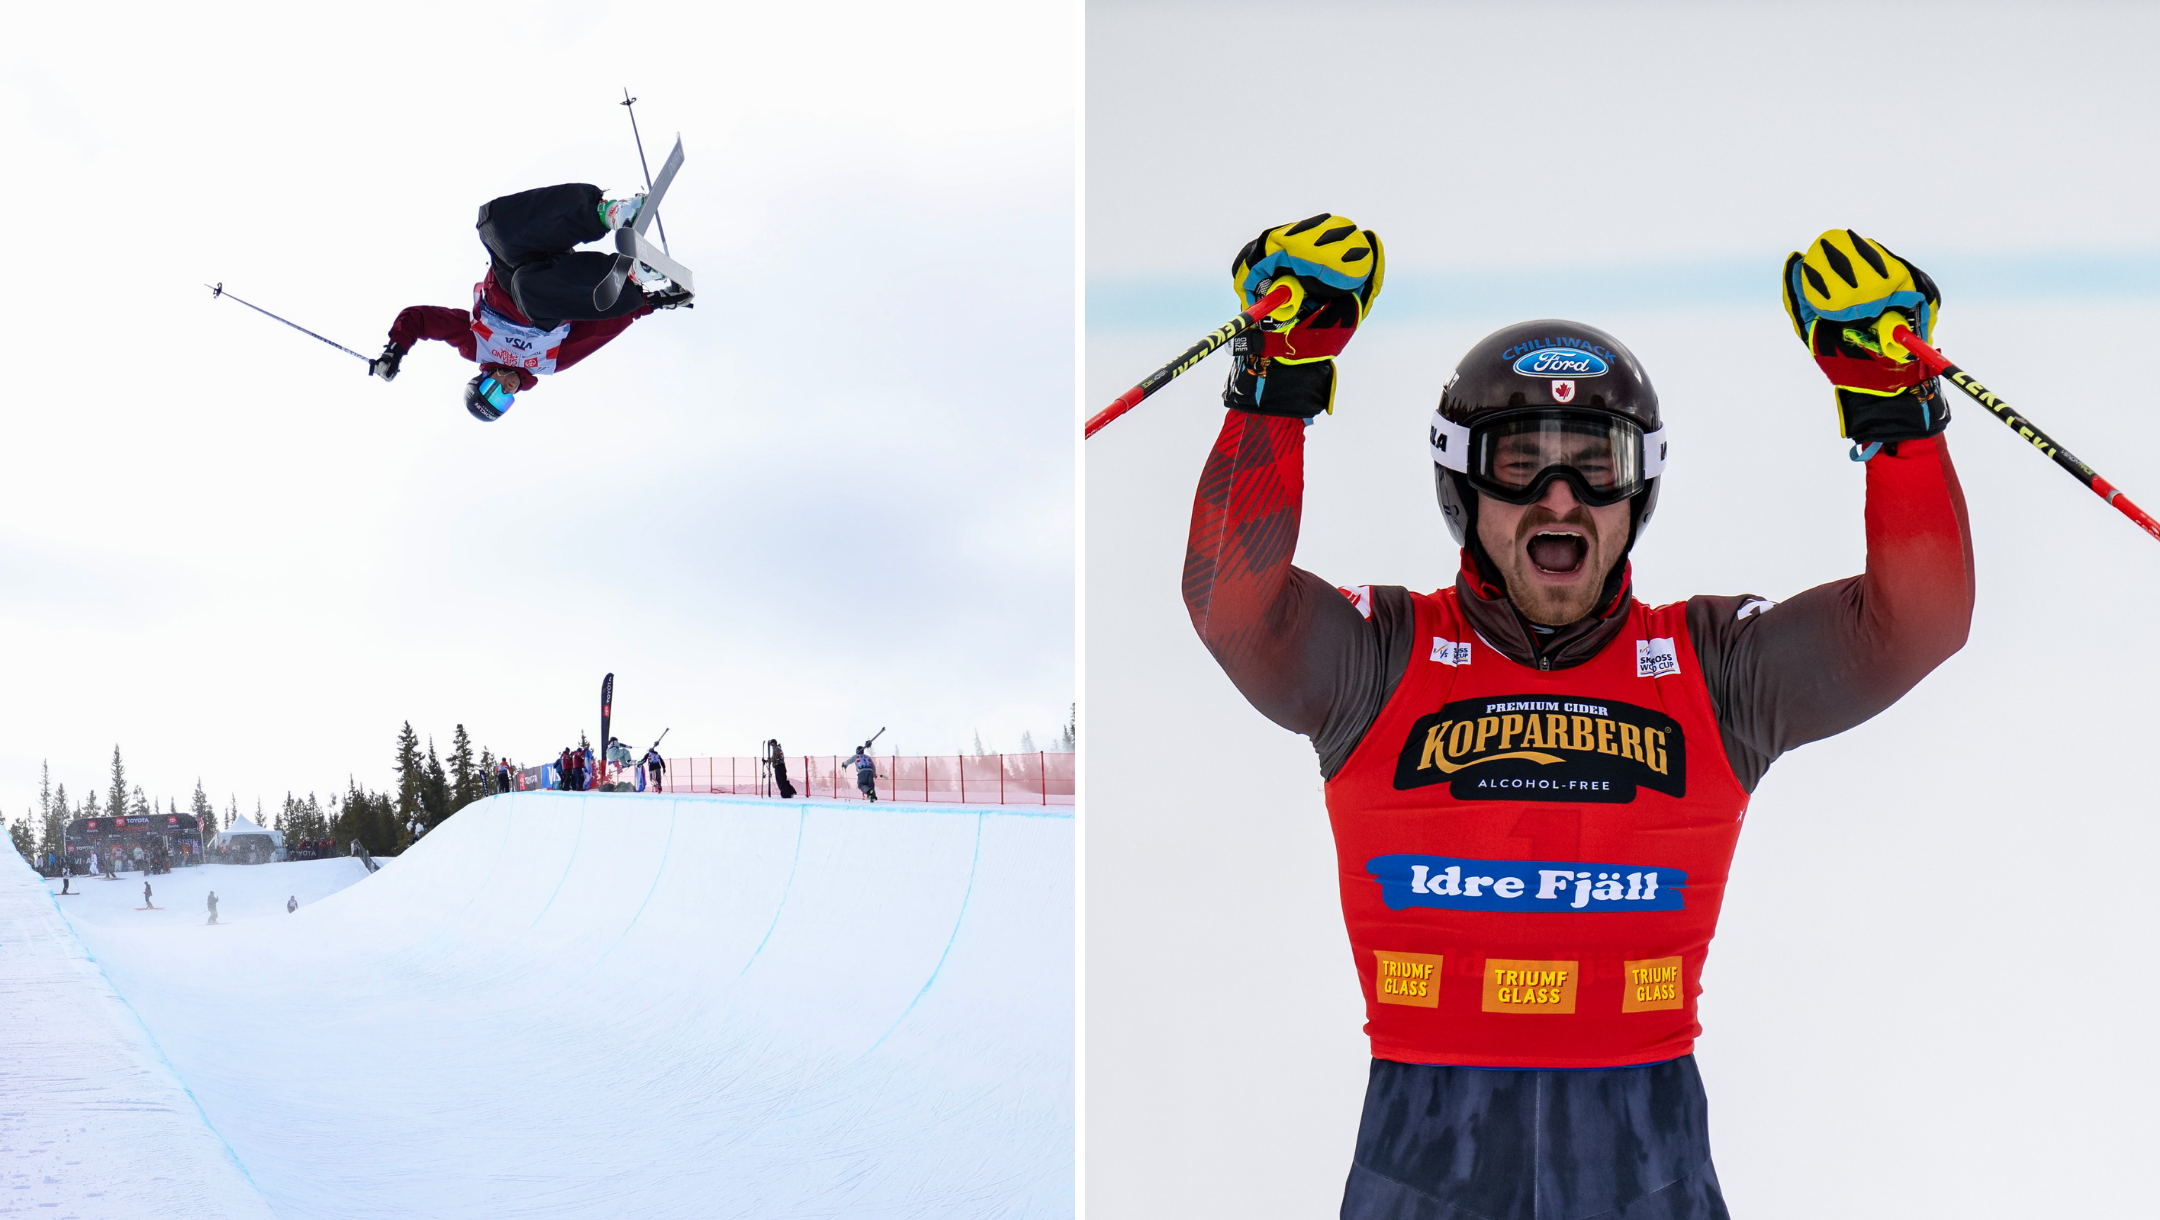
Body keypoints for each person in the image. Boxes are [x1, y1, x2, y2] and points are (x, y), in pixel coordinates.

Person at [1178, 219, 1973, 1218]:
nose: (1561, 499)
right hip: (1425, 1136)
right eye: (1522, 463)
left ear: (1639, 485)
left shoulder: (1714, 667)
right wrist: (1275, 387)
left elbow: (1922, 620)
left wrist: (1897, 416)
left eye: (1596, 463)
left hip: (1645, 1138)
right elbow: (1231, 606)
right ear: (1462, 481)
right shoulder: (1384, 655)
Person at [368, 182, 693, 421]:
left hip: (511, 268)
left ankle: (611, 213)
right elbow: (599, 331)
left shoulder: (475, 346)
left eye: (495, 393)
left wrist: (394, 349)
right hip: (548, 290)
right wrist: (649, 301)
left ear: (483, 380)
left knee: (493, 226)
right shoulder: (548, 362)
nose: (507, 391)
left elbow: (422, 320)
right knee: (529, 291)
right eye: (506, 402)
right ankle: (635, 273)